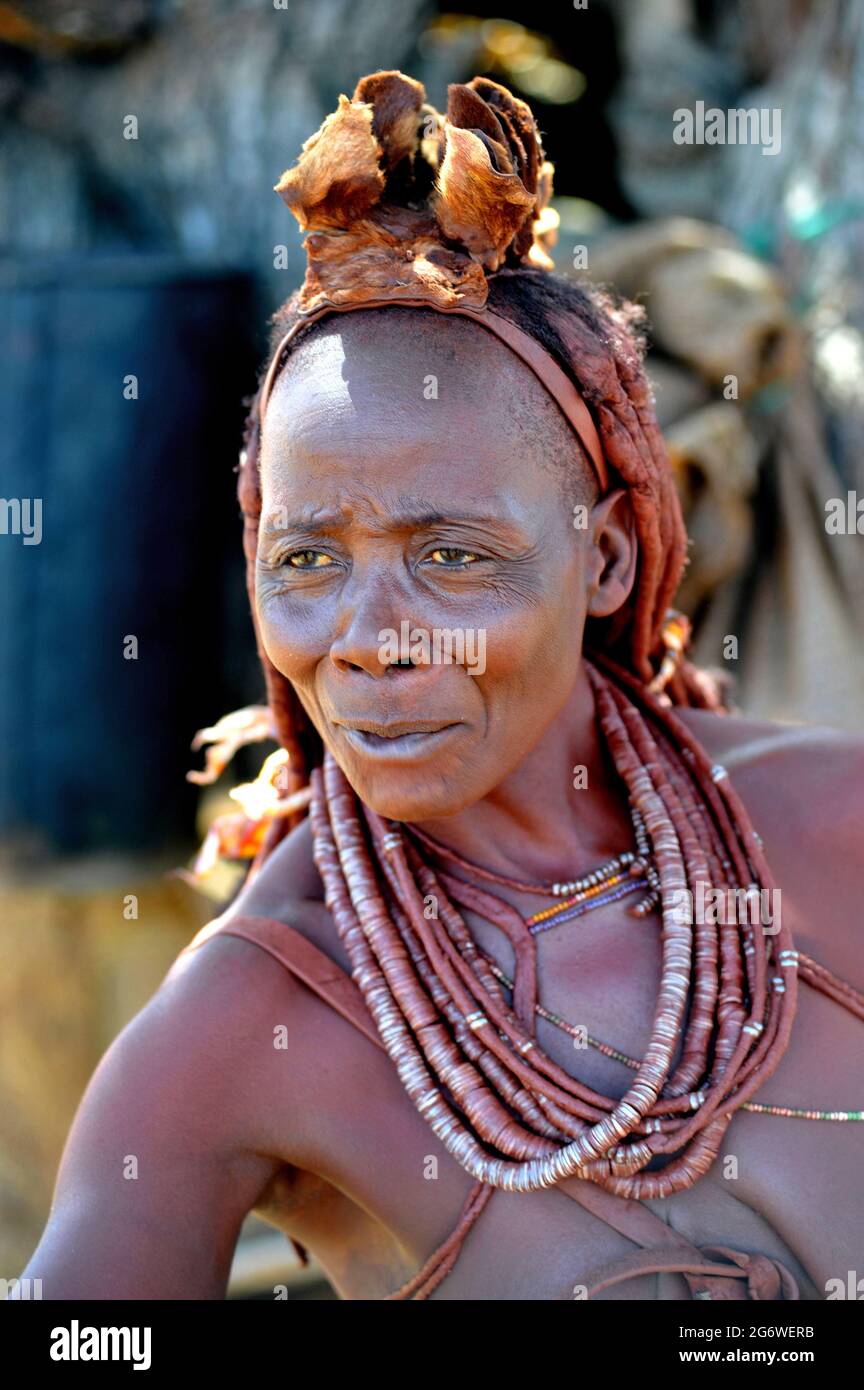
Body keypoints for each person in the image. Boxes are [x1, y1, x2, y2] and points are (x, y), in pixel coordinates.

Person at [14, 71, 863, 1302]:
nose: (367, 640)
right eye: (304, 560)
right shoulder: (250, 1019)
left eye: (451, 556)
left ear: (607, 556)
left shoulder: (833, 829)